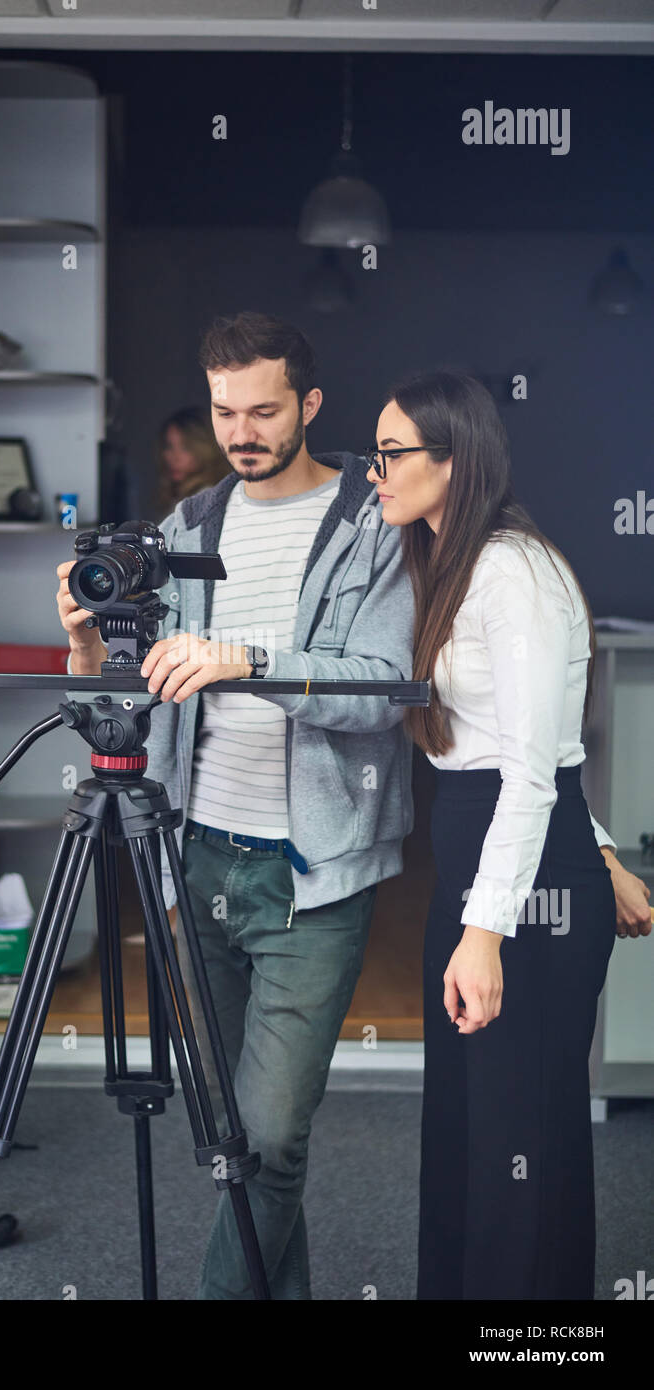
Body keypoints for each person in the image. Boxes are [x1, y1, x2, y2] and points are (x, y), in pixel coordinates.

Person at [57, 310, 416, 1299]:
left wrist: (245, 659)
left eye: (264, 409)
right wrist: (89, 648)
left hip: (314, 870)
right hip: (194, 859)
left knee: (268, 1137)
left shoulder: (372, 521)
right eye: (225, 412)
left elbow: (382, 685)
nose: (243, 431)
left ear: (309, 403)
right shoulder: (183, 531)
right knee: (225, 1137)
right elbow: (112, 726)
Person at [362, 368, 652, 1300]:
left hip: (519, 878)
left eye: (392, 452)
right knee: (470, 1127)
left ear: (455, 460)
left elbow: (532, 767)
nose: (374, 471)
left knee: (516, 1133)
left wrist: (486, 932)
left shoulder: (511, 571)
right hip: (493, 857)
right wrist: (602, 850)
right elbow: (522, 746)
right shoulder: (449, 563)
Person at [151, 406, 231, 520]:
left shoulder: (206, 499)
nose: (174, 457)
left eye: (185, 448)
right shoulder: (181, 497)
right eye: (169, 446)